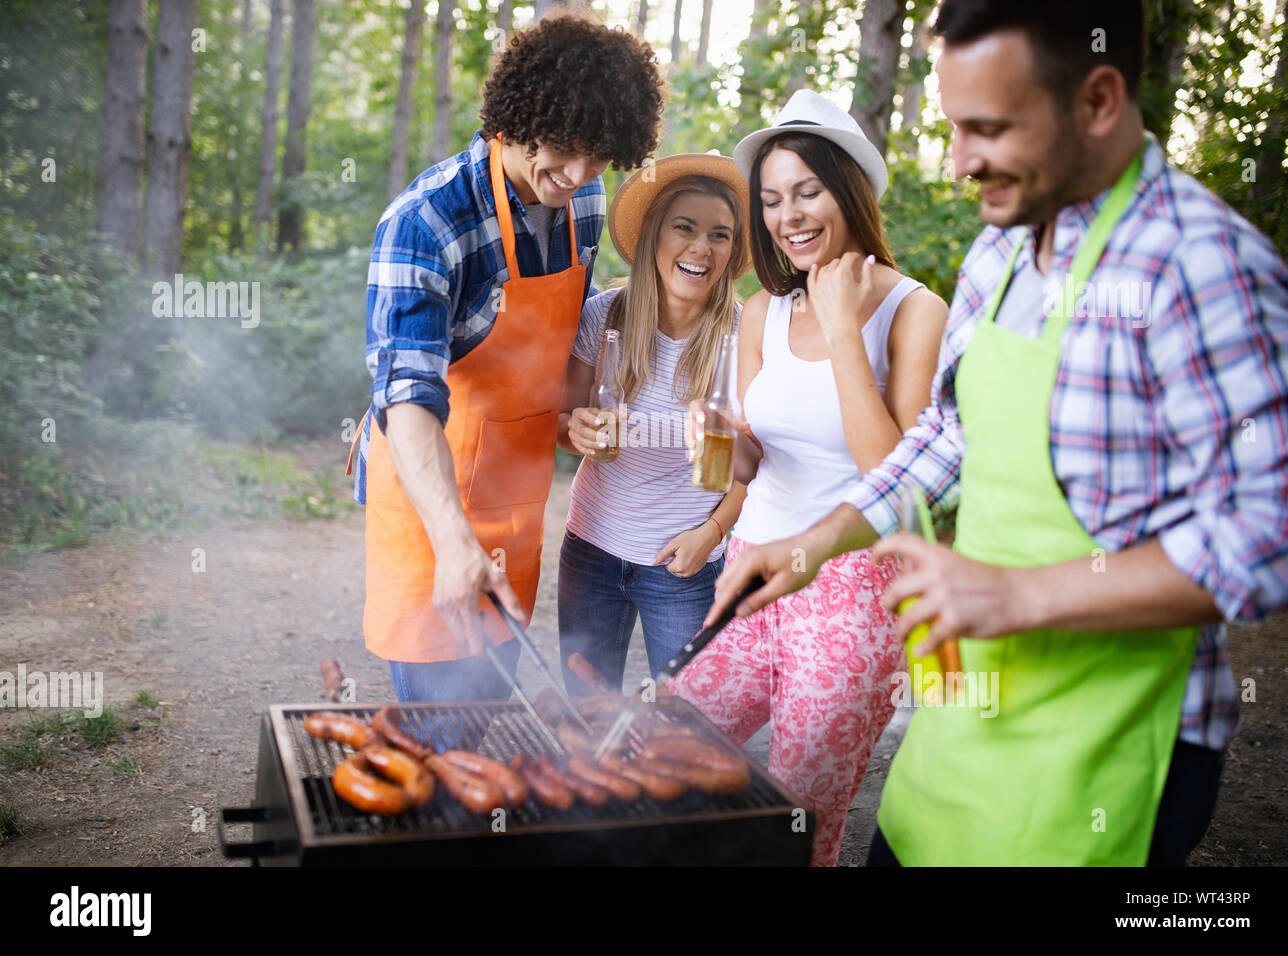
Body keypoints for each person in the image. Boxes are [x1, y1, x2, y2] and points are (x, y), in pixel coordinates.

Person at [708, 0, 1288, 866]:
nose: (959, 161)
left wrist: (1015, 599)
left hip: (1112, 743)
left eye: (987, 129)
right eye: (953, 127)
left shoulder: (1204, 268)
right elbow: (944, 438)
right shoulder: (1000, 255)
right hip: (970, 715)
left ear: (1098, 100)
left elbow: (1273, 533)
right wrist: (819, 540)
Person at [346, 15, 664, 703]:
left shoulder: (582, 200)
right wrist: (453, 543)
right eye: (565, 147)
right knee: (440, 725)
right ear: (519, 113)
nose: (578, 174)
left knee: (494, 710)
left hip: (516, 498)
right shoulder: (426, 220)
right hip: (432, 502)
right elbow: (405, 394)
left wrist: (571, 417)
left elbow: (556, 344)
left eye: (601, 155)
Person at [668, 90, 949, 867]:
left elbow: (897, 484)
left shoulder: (916, 312)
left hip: (853, 594)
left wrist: (842, 328)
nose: (787, 215)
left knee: (796, 817)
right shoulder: (760, 311)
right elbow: (749, 460)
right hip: (752, 568)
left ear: (849, 190)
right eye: (771, 199)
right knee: (669, 739)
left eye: (807, 191)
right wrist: (717, 443)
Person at [556, 156, 750, 691]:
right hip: (592, 547)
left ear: (732, 254)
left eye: (720, 235)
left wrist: (710, 533)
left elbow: (758, 467)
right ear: (651, 238)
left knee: (686, 724)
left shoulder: (744, 336)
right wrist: (576, 429)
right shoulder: (605, 317)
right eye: (684, 228)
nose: (701, 247)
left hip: (684, 562)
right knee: (586, 712)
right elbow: (561, 419)